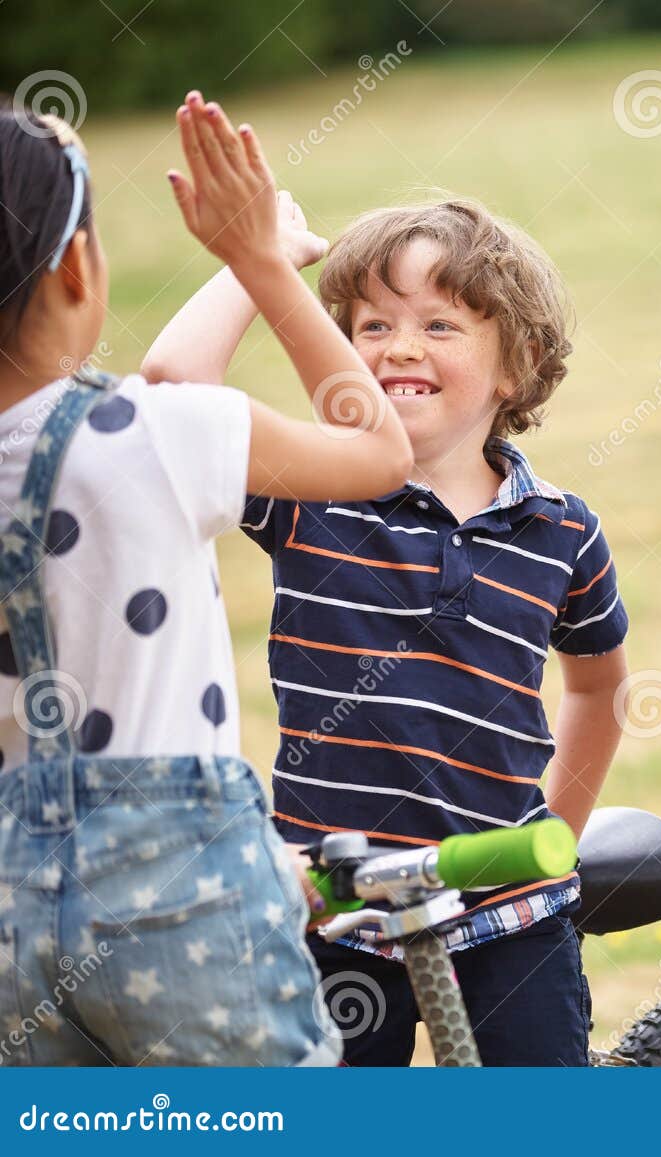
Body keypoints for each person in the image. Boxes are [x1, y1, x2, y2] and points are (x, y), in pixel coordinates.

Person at [142, 95, 629, 1066]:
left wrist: (553, 839)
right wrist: (260, 261)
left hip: (503, 913)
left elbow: (599, 688)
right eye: (371, 324)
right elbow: (172, 386)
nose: (398, 346)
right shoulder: (309, 491)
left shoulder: (561, 530)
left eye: (439, 323)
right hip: (333, 906)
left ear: (517, 365)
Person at [0, 94, 412, 1065]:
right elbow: (377, 450)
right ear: (75, 266)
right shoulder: (147, 433)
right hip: (181, 902)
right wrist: (261, 261)